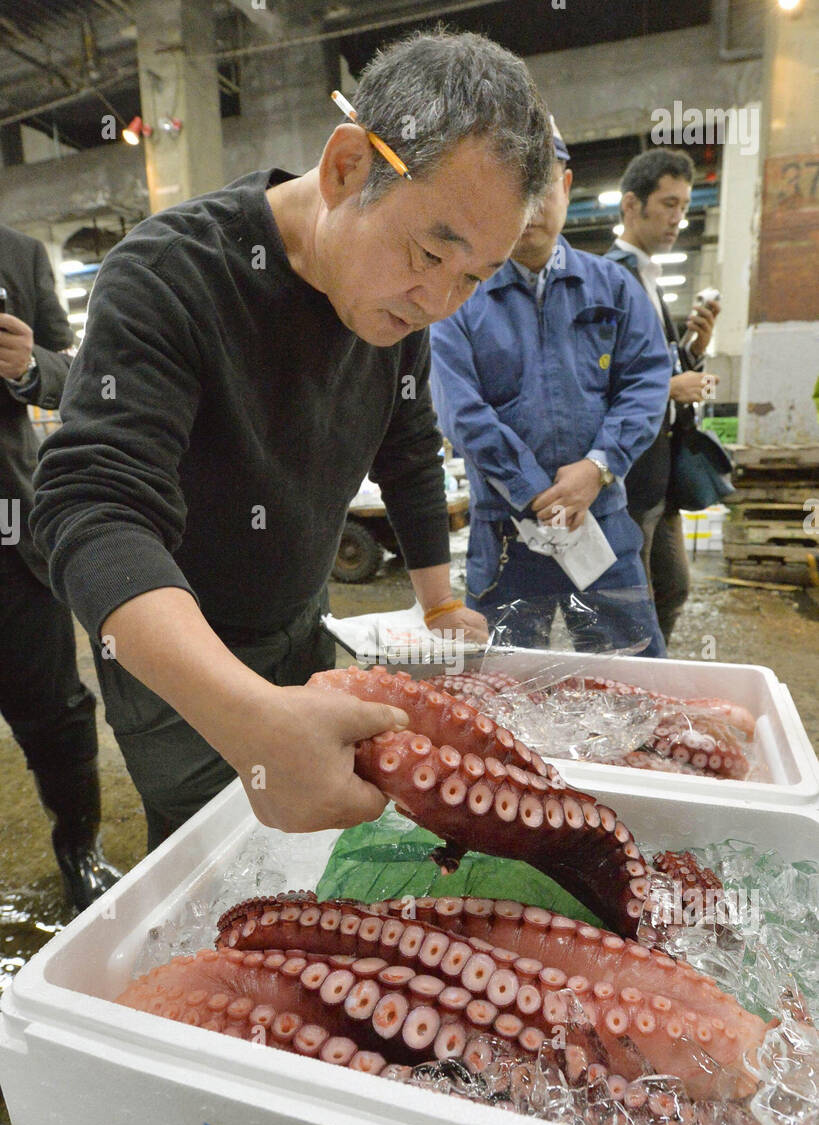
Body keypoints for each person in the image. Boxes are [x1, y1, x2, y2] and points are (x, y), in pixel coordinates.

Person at [32, 29, 552, 852]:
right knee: (219, 858)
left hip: (300, 618)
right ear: (347, 166)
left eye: (470, 279)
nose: (440, 301)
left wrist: (440, 601)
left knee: (339, 846)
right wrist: (245, 716)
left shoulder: (399, 309)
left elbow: (410, 447)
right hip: (179, 652)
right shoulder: (170, 276)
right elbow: (91, 506)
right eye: (429, 254)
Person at [429, 121, 671, 657]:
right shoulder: (458, 297)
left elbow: (646, 382)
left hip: (600, 520)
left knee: (632, 676)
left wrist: (597, 468)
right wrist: (533, 491)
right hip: (508, 533)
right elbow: (460, 410)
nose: (532, 207)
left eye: (543, 188)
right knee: (501, 687)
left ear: (565, 186)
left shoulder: (613, 288)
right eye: (517, 192)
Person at [0, 225, 120, 910]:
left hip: (9, 533)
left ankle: (79, 849)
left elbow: (75, 376)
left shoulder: (16, 252)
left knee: (55, 710)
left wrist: (27, 365)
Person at [605, 149, 721, 643]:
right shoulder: (609, 279)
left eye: (684, 206)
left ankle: (650, 683)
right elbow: (596, 378)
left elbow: (656, 366)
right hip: (627, 475)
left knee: (670, 590)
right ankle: (629, 699)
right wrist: (670, 387)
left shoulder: (650, 279)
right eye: (669, 204)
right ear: (632, 205)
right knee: (630, 606)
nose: (679, 217)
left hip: (661, 474)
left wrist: (695, 347)